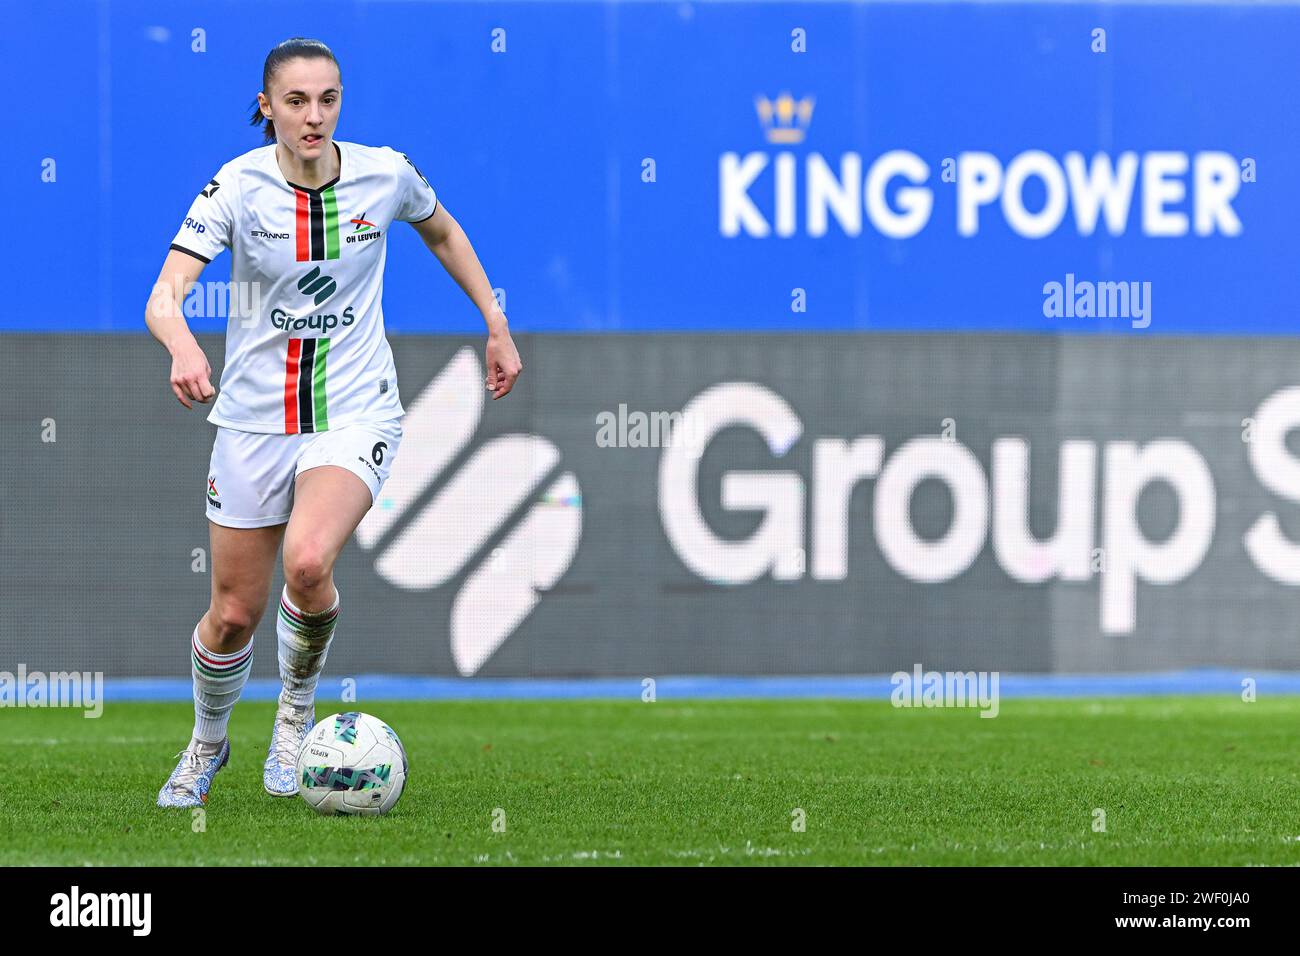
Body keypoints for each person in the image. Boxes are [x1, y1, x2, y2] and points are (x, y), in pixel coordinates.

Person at [144, 37, 522, 807]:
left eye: (327, 99)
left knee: (310, 561)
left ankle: (293, 717)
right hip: (252, 422)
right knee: (231, 615)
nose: (313, 117)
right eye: (295, 102)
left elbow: (442, 229)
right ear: (266, 107)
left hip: (355, 410)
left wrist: (495, 319)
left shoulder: (385, 173)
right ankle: (207, 744)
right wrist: (182, 344)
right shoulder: (238, 188)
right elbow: (165, 292)